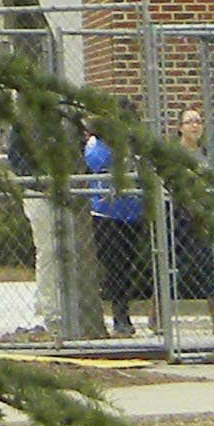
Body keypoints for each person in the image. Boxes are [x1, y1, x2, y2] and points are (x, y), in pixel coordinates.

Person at [170, 101, 214, 329]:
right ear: (180, 128)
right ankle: (157, 318)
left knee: (208, 265)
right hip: (178, 215)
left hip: (202, 216)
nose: (195, 126)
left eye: (198, 121)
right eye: (189, 122)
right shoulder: (175, 154)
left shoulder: (205, 155)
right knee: (172, 266)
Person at [83, 124, 148, 335]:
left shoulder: (135, 145)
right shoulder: (96, 145)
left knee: (128, 264)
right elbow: (96, 162)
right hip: (105, 214)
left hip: (132, 212)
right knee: (114, 265)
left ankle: (124, 312)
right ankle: (120, 317)